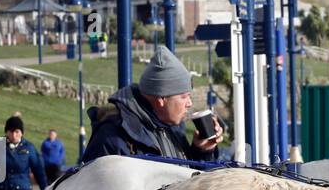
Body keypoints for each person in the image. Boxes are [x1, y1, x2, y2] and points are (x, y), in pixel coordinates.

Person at [82, 46, 224, 163]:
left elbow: (188, 182)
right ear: (161, 99)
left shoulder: (171, 126)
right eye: (183, 97)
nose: (189, 103)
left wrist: (202, 150)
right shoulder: (112, 136)